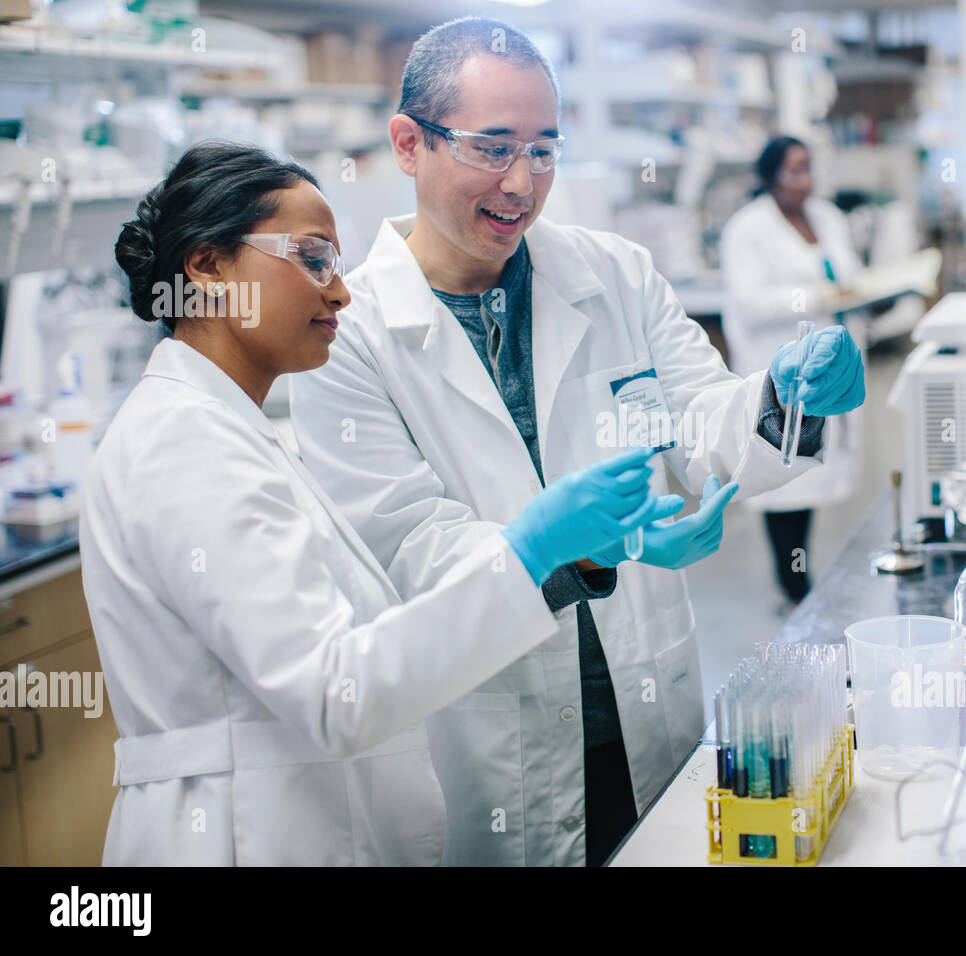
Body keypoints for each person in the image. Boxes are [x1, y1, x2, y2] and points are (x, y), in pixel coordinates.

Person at [289, 17, 866, 867]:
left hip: (647, 711)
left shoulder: (616, 273)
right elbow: (403, 543)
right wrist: (561, 553)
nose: (522, 184)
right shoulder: (347, 331)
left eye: (545, 150)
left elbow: (701, 421)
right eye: (493, 148)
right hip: (484, 742)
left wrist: (791, 393)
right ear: (409, 144)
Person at [82, 141, 667, 865]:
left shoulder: (228, 428)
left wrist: (551, 556)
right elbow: (340, 693)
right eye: (313, 258)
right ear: (208, 268)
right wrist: (526, 555)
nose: (340, 292)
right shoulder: (187, 445)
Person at [720, 135, 868, 608]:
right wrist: (819, 296)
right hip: (783, 368)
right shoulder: (747, 229)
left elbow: (850, 272)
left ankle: (803, 579)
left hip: (829, 363)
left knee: (818, 474)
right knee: (786, 481)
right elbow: (750, 301)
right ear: (769, 176)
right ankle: (793, 585)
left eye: (808, 168)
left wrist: (855, 289)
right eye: (792, 170)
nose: (804, 180)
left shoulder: (827, 217)